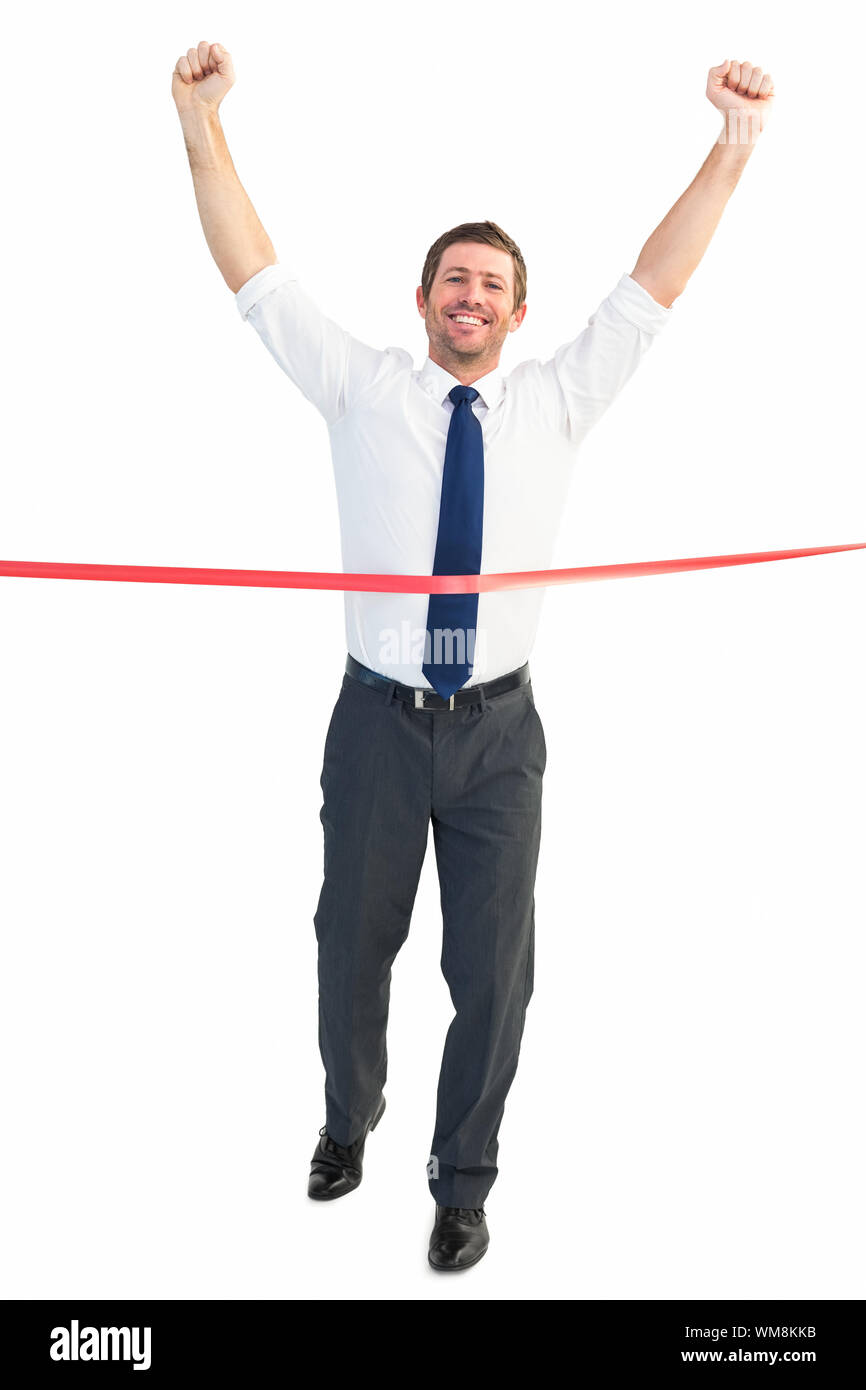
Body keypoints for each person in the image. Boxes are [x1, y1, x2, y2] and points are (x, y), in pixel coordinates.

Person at [172, 42, 774, 1272]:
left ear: (515, 313)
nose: (470, 296)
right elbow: (255, 274)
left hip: (499, 735)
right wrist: (200, 123)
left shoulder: (556, 399)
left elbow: (653, 286)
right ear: (421, 300)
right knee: (350, 946)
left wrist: (731, 145)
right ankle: (347, 1119)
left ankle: (461, 1181)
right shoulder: (362, 389)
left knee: (494, 976)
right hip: (376, 725)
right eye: (453, 278)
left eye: (491, 284)